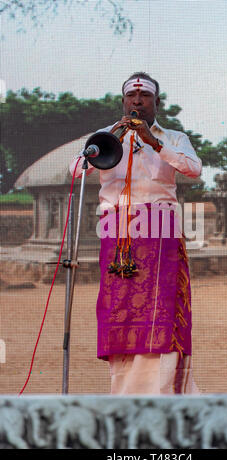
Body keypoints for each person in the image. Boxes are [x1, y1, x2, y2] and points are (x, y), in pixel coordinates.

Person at [69, 72, 202, 394]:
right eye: (132, 97)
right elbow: (74, 171)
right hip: (117, 231)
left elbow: (193, 171)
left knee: (162, 310)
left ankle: (163, 393)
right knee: (120, 310)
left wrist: (154, 142)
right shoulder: (104, 136)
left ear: (157, 103)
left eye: (145, 97)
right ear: (124, 101)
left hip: (159, 230)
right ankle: (124, 392)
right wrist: (107, 138)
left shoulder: (174, 138)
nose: (138, 102)